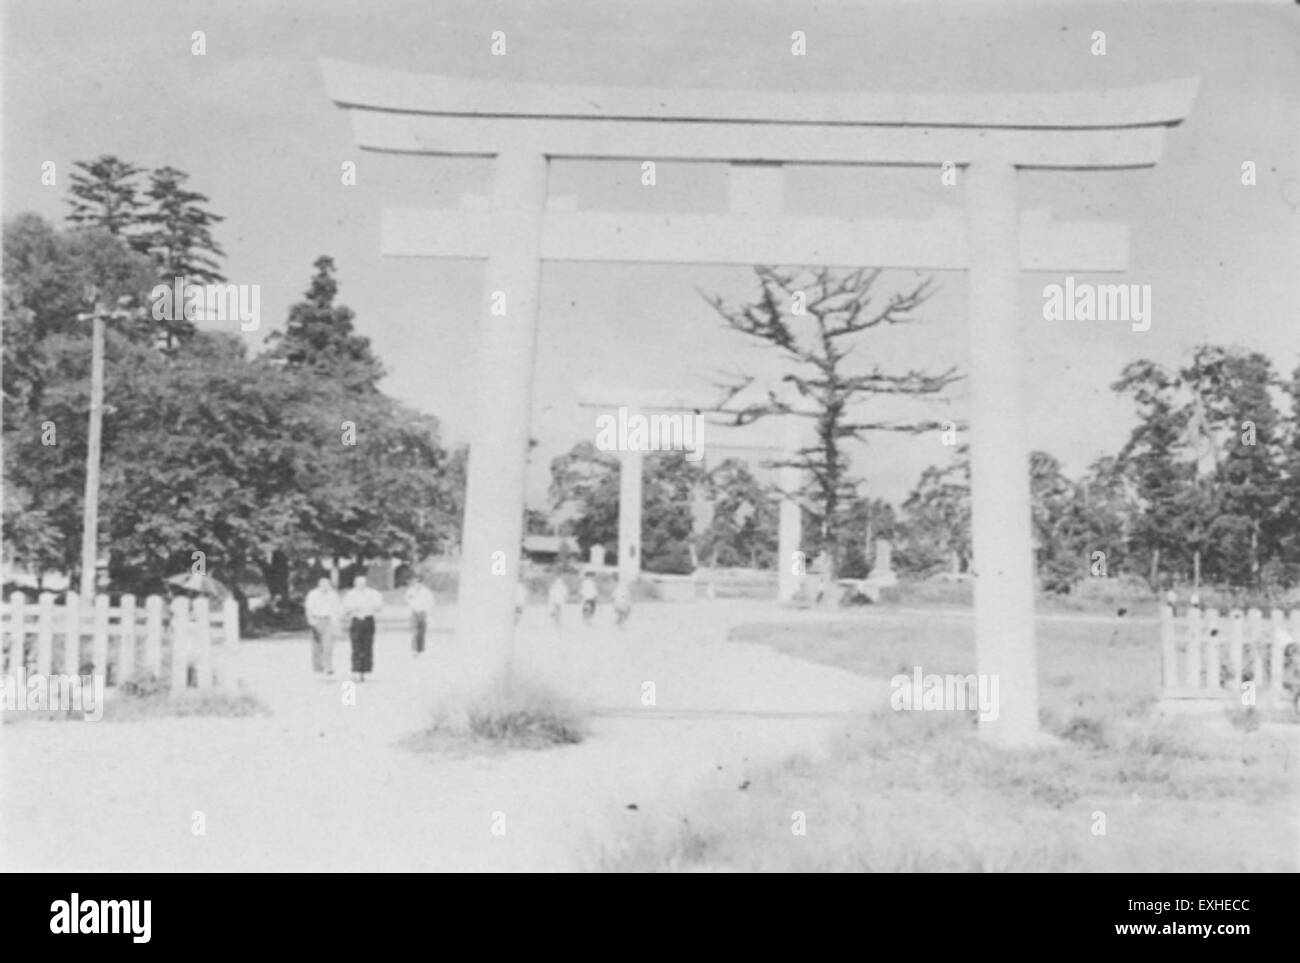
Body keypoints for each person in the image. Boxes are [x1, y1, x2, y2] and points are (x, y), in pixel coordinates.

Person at [342, 576, 384, 682]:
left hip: (368, 620)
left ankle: (366, 670)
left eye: (363, 583)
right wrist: (354, 609)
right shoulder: (350, 594)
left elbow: (378, 606)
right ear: (355, 584)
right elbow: (346, 608)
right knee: (356, 646)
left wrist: (368, 607)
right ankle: (356, 670)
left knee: (367, 646)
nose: (361, 585)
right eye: (359, 583)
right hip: (356, 621)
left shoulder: (372, 593)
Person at [305, 577, 341, 676]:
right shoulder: (313, 594)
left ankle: (328, 666)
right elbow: (308, 608)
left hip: (328, 621)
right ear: (319, 585)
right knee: (316, 646)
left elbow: (336, 609)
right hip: (316, 620)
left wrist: (336, 624)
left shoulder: (333, 595)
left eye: (327, 585)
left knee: (328, 645)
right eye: (323, 585)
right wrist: (310, 620)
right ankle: (318, 668)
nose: (325, 587)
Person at [404, 579, 436, 656]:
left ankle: (421, 650)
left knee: (421, 632)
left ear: (422, 583)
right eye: (416, 582)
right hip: (414, 613)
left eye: (419, 583)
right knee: (414, 632)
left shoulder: (426, 592)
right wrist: (411, 607)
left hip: (423, 613)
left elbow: (431, 602)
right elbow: (407, 600)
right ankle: (414, 650)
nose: (417, 584)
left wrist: (427, 611)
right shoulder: (410, 591)